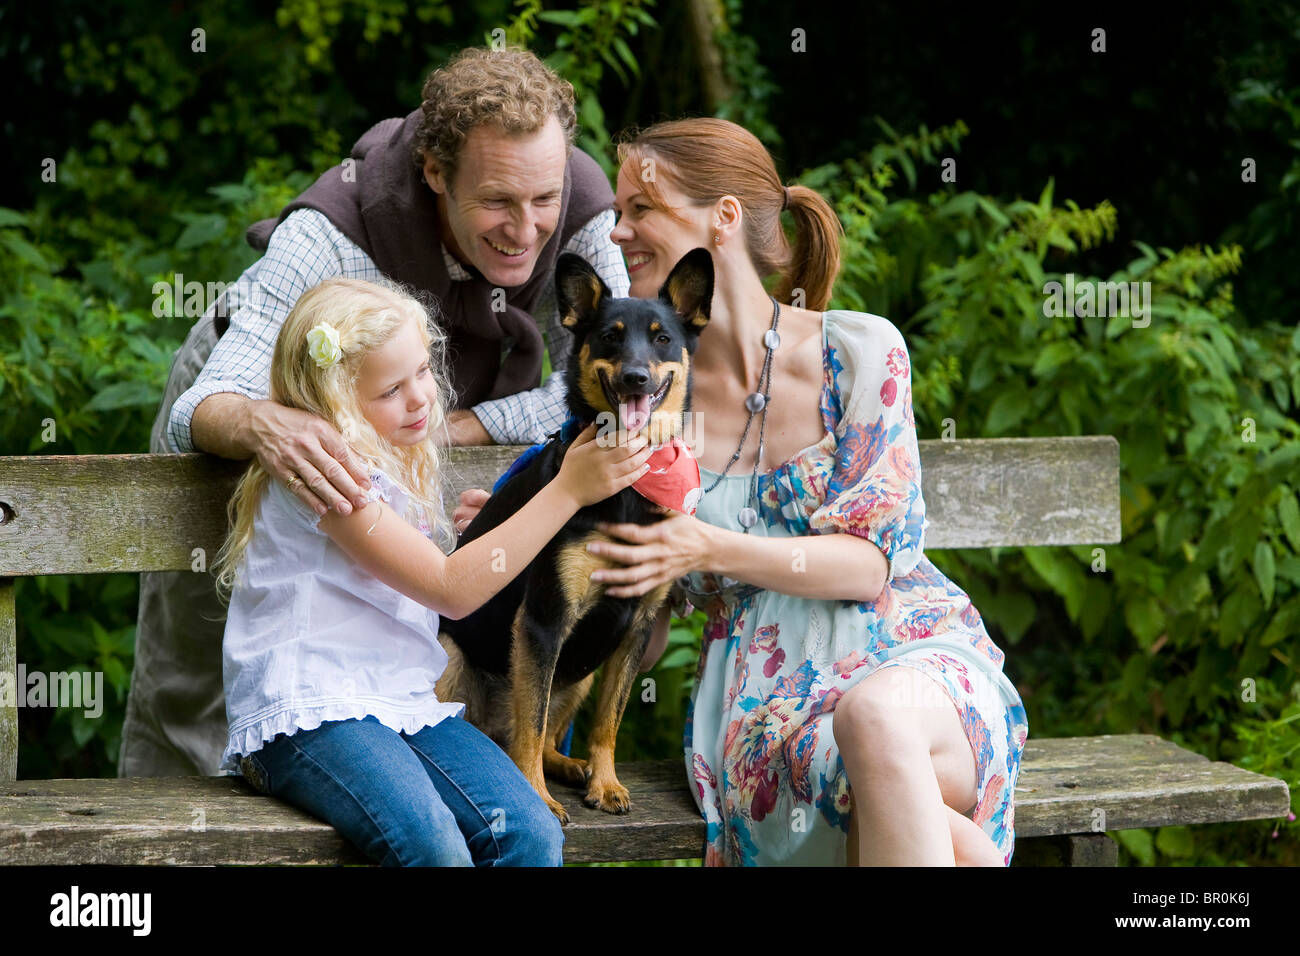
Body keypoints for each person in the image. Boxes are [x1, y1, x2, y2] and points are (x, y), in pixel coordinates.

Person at [122, 46, 630, 777]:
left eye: (542, 199)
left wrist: (473, 425)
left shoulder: (578, 203)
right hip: (256, 425)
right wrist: (268, 424)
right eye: (496, 202)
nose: (526, 229)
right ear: (434, 172)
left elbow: (603, 391)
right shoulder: (333, 230)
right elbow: (204, 403)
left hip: (427, 415)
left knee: (433, 639)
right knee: (197, 678)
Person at [580, 117, 1028, 866]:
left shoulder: (856, 354)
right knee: (915, 814)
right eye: (619, 213)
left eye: (641, 209)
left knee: (877, 719)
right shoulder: (648, 404)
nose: (618, 231)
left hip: (913, 661)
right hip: (768, 714)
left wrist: (708, 544)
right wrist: (570, 565)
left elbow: (869, 565)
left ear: (722, 218)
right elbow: (640, 618)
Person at [212, 277, 654, 866]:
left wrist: (485, 526)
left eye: (422, 372)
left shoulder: (394, 463)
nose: (420, 398)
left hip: (401, 700)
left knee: (529, 832)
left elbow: (422, 570)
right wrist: (567, 490)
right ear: (334, 403)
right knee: (432, 845)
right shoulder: (324, 476)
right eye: (392, 389)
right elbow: (451, 591)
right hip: (310, 713)